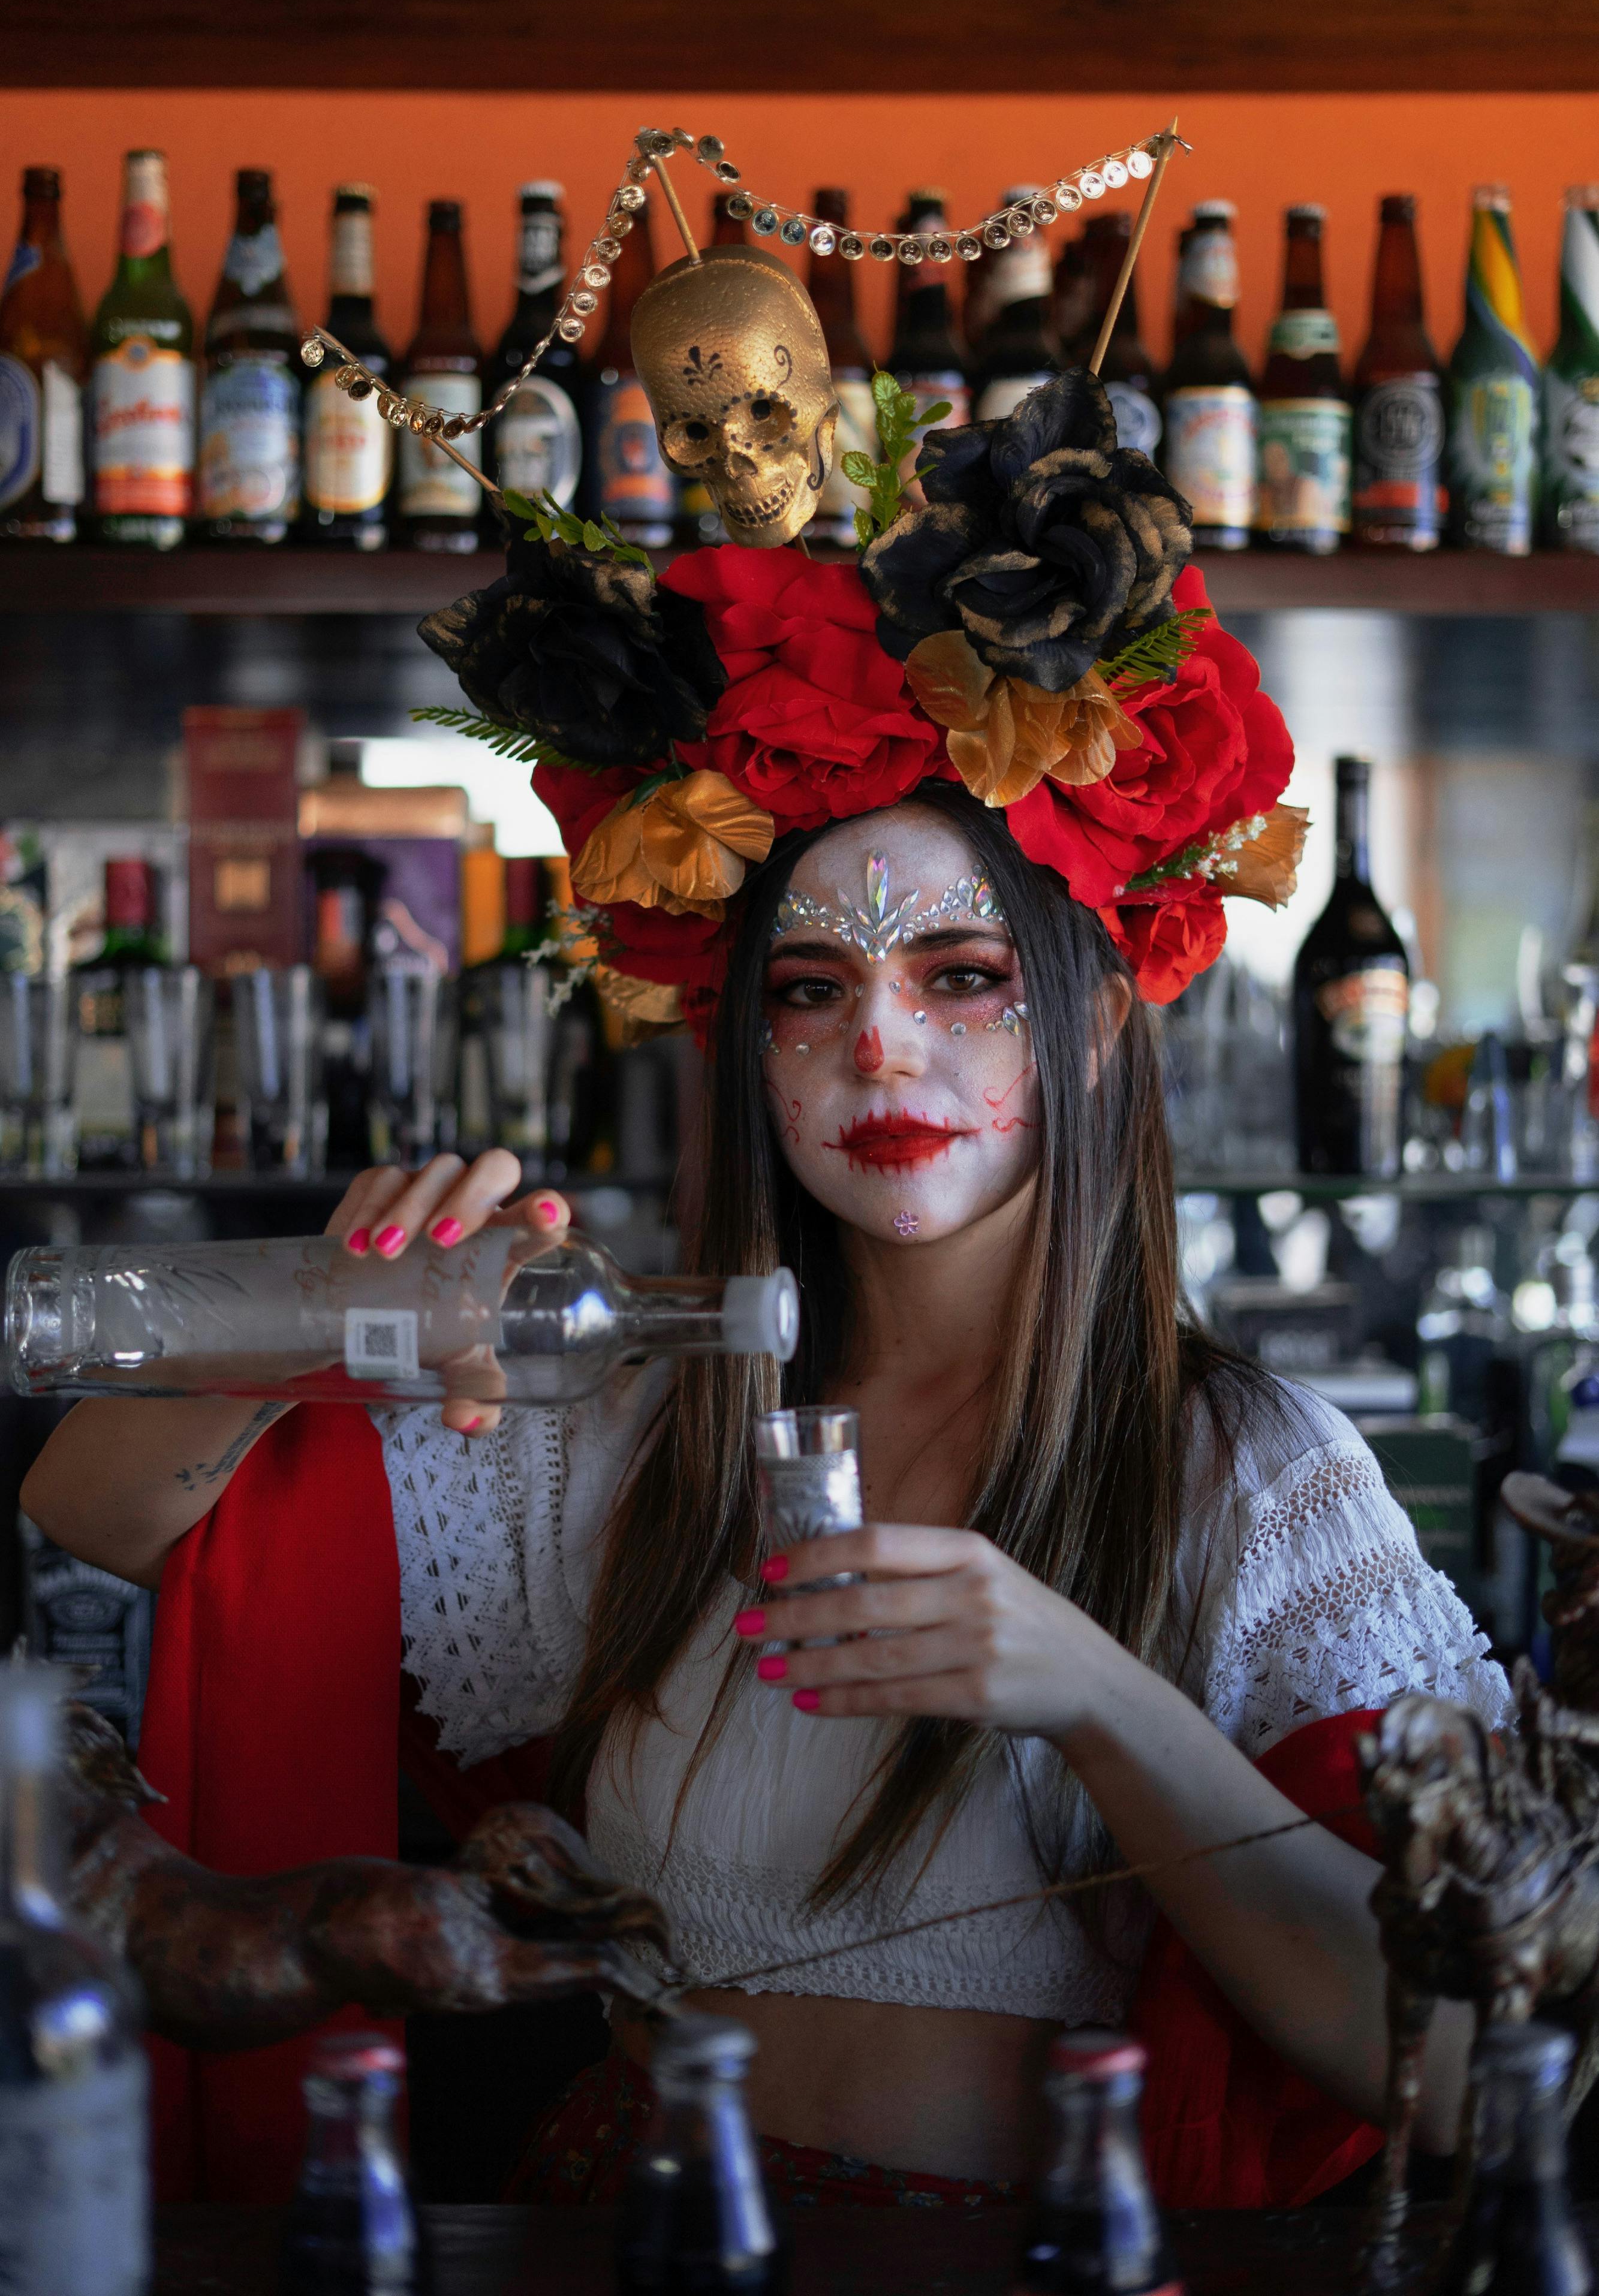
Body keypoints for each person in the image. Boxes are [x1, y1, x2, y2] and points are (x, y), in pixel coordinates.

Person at [23, 370, 1508, 2208]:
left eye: (962, 975)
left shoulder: (1252, 1473)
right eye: (807, 992)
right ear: (746, 1048)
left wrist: (1098, 1699)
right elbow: (88, 1507)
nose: (878, 1048)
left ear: (1099, 1023)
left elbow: (1425, 2051)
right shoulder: (637, 1413)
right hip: (637, 2228)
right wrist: (319, 1307)